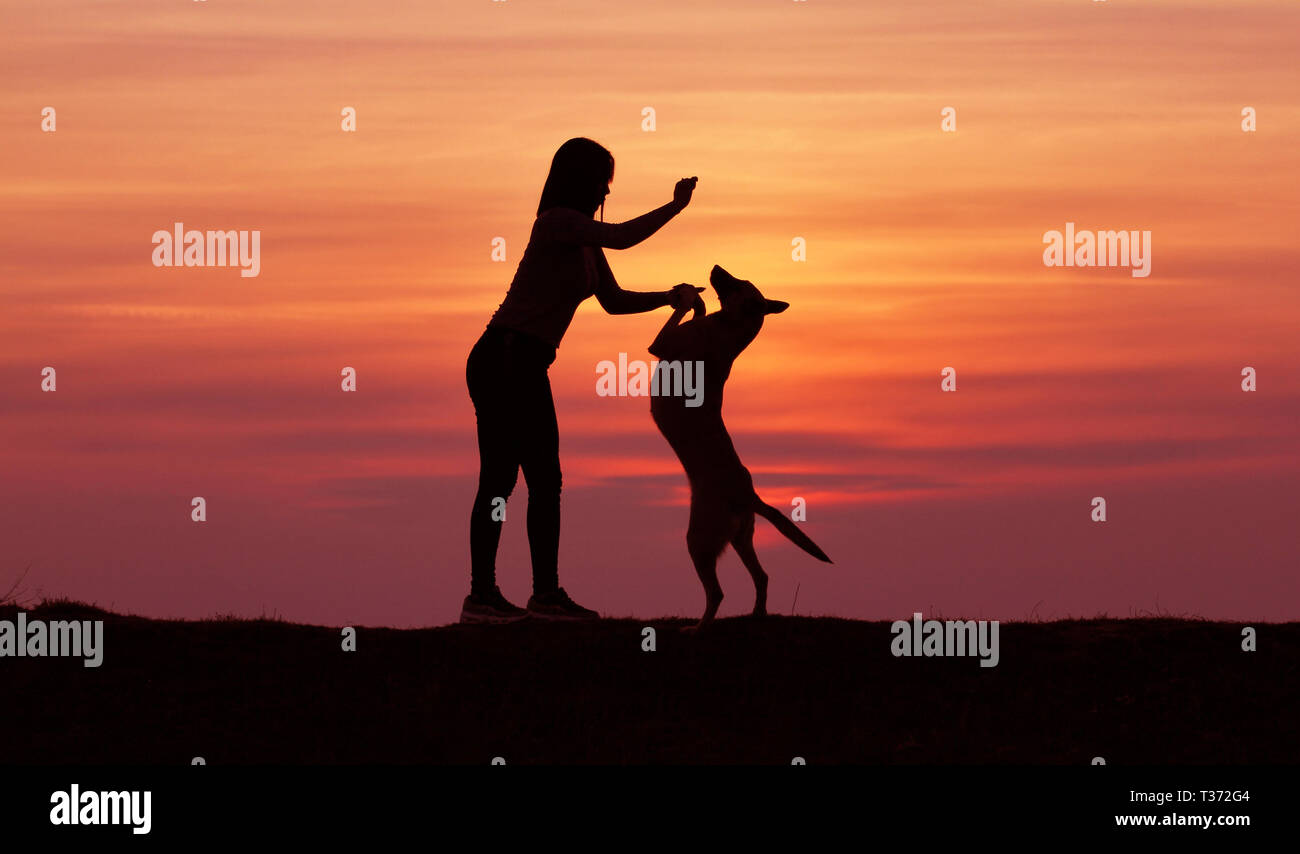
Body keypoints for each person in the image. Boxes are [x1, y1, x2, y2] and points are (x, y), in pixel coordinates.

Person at [462, 137, 701, 623]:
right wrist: (675, 208)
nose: (603, 193)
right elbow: (624, 235)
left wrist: (667, 296)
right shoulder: (556, 224)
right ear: (580, 181)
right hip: (505, 356)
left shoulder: (585, 241)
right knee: (512, 479)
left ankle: (528, 596)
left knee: (532, 480)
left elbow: (612, 300)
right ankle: (493, 596)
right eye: (601, 183)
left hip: (524, 361)